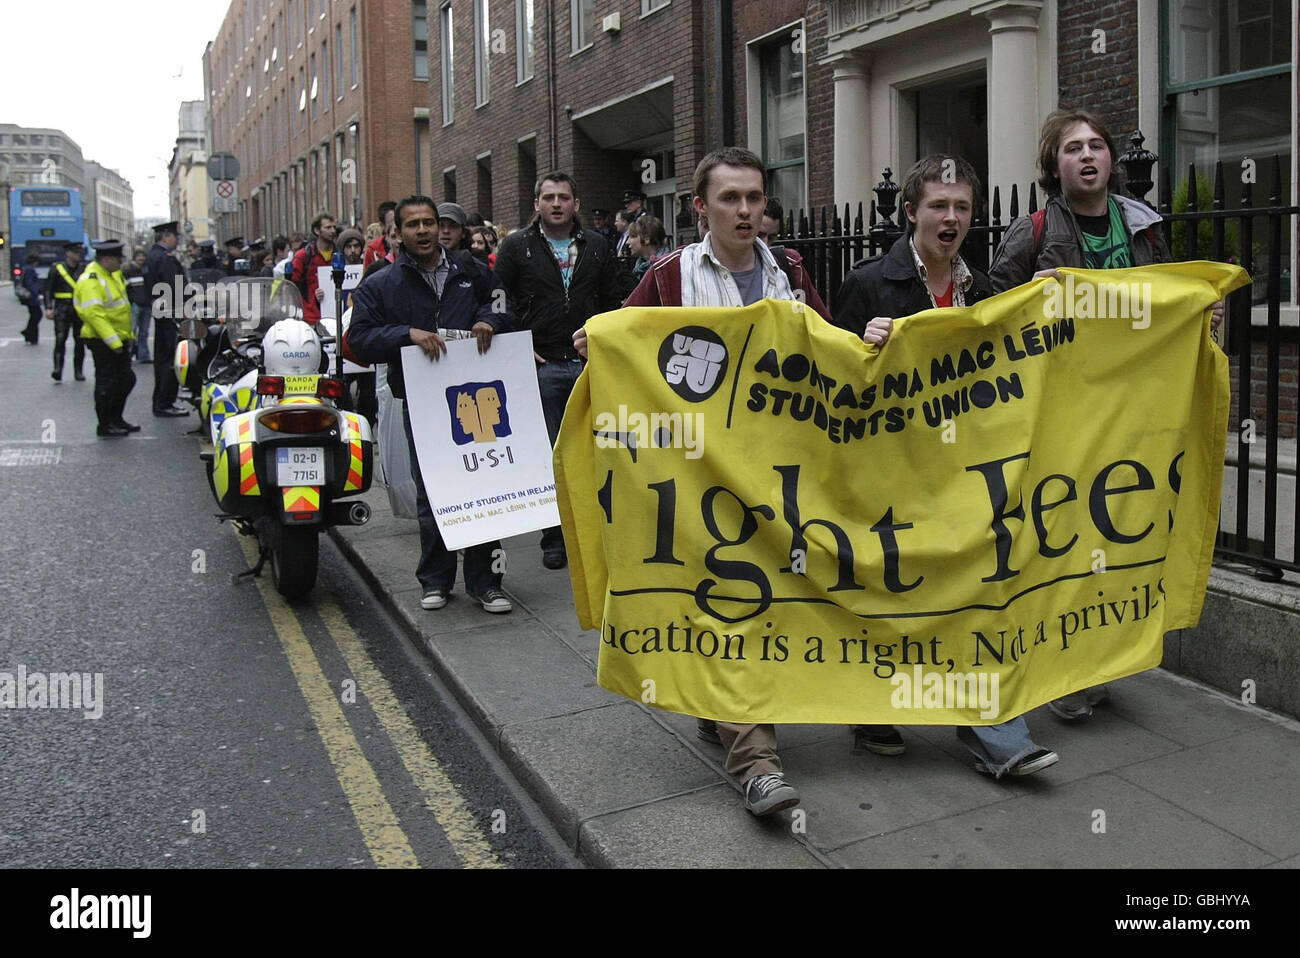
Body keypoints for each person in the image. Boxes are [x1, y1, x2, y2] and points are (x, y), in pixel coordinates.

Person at [577, 147, 832, 816]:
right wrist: (597, 342)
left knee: (767, 603)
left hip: (777, 473)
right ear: (700, 209)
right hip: (692, 481)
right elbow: (623, 345)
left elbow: (831, 353)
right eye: (731, 199)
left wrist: (870, 339)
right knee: (730, 601)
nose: (746, 210)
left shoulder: (792, 270)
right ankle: (758, 763)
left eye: (754, 197)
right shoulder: (668, 276)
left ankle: (717, 705)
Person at [987, 108, 1220, 723]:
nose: (1087, 156)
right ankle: (1061, 669)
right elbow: (988, 312)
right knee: (1061, 534)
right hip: (1063, 412)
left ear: (1113, 160)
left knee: (1118, 529)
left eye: (1096, 146)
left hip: (1135, 411)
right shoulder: (1035, 228)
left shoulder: (1143, 226)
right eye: (1072, 149)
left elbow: (1165, 299)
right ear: (1052, 166)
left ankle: (1101, 655)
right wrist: (1031, 296)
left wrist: (1197, 318)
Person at [839, 154, 1059, 778]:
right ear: (911, 212)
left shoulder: (984, 292)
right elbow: (822, 384)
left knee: (976, 588)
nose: (952, 218)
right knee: (892, 588)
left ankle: (994, 731)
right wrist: (861, 347)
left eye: (962, 207)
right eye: (938, 205)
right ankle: (874, 707)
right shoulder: (868, 284)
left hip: (964, 473)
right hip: (889, 472)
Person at [347, 195, 516, 614]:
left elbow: (502, 303)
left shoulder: (471, 270)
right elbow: (360, 341)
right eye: (413, 225)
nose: (422, 230)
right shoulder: (381, 282)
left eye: (428, 222)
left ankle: (486, 583)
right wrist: (407, 334)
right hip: (421, 401)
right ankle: (436, 580)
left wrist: (488, 321)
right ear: (399, 232)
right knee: (433, 493)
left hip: (475, 395)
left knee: (482, 490)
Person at [495, 171, 625, 571]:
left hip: (590, 365)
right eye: (548, 197)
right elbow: (499, 303)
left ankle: (599, 534)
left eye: (563, 197)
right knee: (553, 457)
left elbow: (615, 300)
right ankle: (555, 539)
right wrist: (519, 344)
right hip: (543, 365)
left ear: (576, 204)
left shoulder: (599, 246)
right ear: (536, 204)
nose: (556, 203)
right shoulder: (516, 247)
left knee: (598, 453)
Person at [74, 240, 137, 437]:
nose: (121, 263)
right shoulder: (91, 280)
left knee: (126, 379)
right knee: (107, 384)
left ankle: (116, 419)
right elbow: (94, 314)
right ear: (107, 259)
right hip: (103, 341)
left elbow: (122, 308)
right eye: (118, 259)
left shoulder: (111, 275)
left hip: (118, 338)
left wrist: (128, 336)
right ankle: (105, 425)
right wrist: (114, 342)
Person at [144, 221, 189, 417]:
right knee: (171, 359)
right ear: (165, 236)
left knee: (163, 358)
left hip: (163, 314)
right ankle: (165, 402)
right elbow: (175, 287)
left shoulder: (154, 256)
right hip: (171, 313)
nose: (177, 240)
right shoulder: (163, 258)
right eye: (174, 236)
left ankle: (162, 401)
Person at [44, 241, 86, 382]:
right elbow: (48, 290)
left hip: (79, 309)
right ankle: (58, 369)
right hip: (62, 309)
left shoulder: (84, 269)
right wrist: (48, 307)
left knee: (80, 341)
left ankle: (78, 371)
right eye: (75, 252)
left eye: (79, 252)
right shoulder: (57, 269)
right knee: (60, 339)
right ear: (68, 253)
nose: (78, 255)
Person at [290, 212, 338, 324]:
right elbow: (291, 285)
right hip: (310, 318)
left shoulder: (340, 255)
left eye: (334, 227)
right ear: (317, 231)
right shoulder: (303, 256)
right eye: (328, 227)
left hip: (336, 316)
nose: (333, 231)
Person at [121, 248, 153, 361]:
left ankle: (143, 354)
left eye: (143, 256)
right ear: (134, 258)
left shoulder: (148, 271)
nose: (141, 258)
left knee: (144, 332)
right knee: (132, 331)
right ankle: (129, 354)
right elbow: (125, 289)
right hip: (135, 305)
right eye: (139, 256)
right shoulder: (129, 271)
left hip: (147, 305)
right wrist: (131, 301)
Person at [626, 215, 668, 283]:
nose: (627, 242)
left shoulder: (665, 267)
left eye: (632, 236)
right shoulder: (640, 267)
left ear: (646, 239)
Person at [363, 201, 397, 268]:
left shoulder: (410, 244)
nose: (395, 225)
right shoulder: (372, 250)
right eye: (391, 222)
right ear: (382, 225)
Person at [19, 252, 44, 345]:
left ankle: (30, 335)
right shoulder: (30, 269)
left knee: (34, 315)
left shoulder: (27, 268)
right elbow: (30, 283)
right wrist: (36, 292)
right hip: (31, 297)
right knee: (37, 315)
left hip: (30, 296)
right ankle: (28, 333)